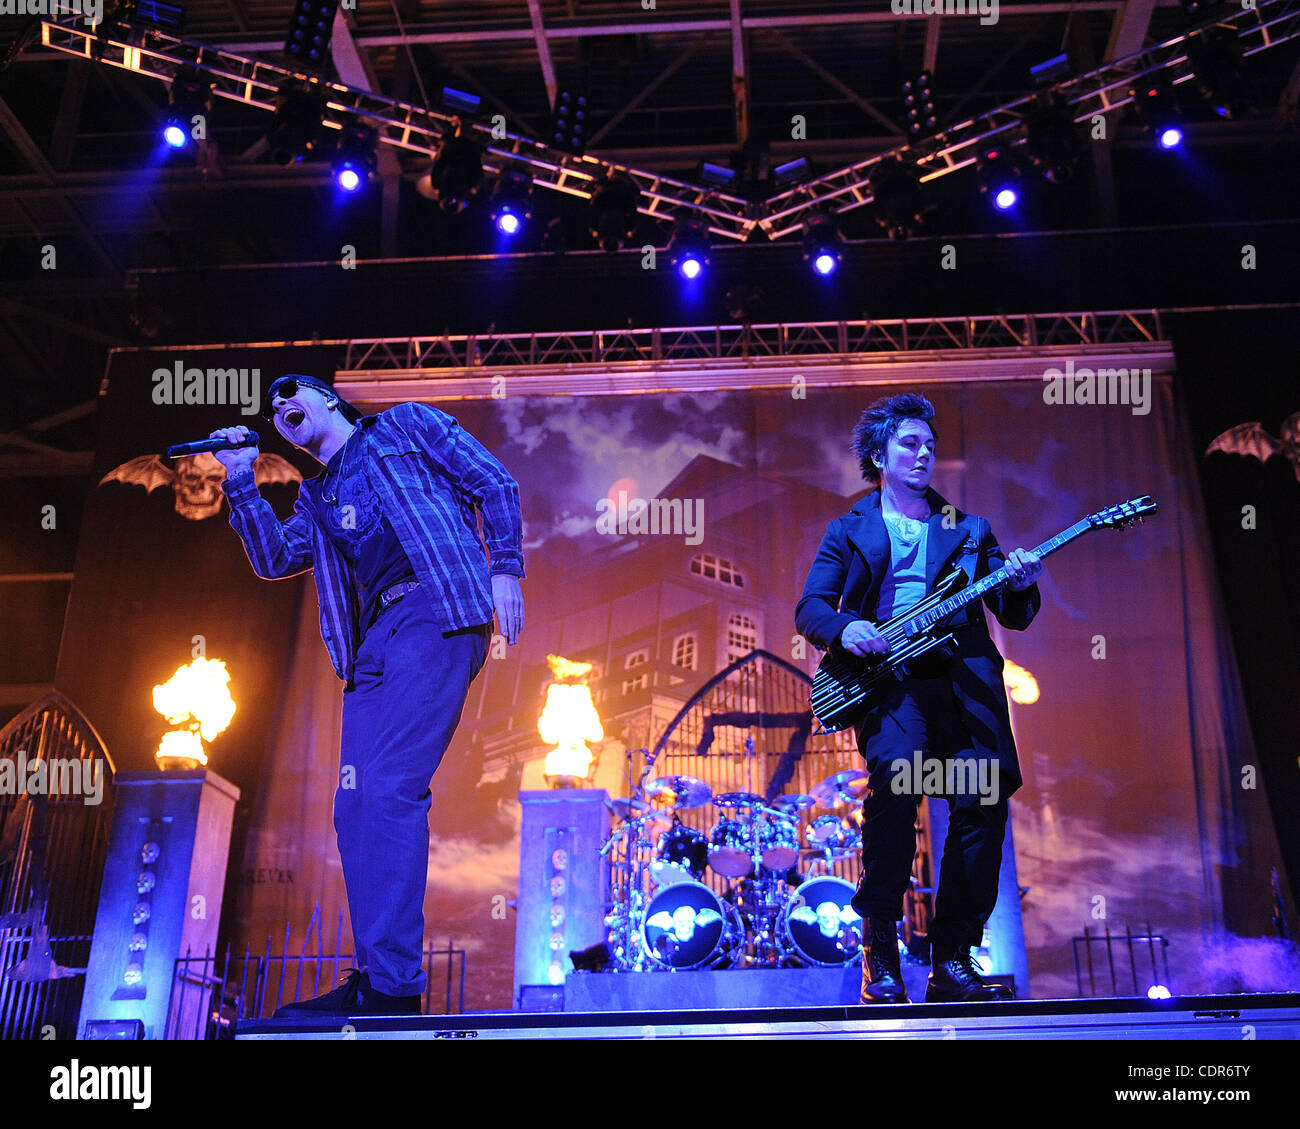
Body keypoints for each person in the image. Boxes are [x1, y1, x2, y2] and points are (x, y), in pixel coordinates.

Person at [210, 373, 524, 1018]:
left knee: (386, 790)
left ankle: (392, 989)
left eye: (288, 393)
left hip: (434, 612)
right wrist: (240, 475)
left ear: (328, 399)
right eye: (270, 408)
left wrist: (506, 569)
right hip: (370, 647)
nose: (276, 407)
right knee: (355, 804)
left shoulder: (407, 425)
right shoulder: (316, 496)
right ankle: (383, 978)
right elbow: (272, 558)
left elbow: (493, 480)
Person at [795, 393, 1041, 1004]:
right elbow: (811, 607)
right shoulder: (848, 529)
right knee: (897, 793)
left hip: (963, 683)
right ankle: (880, 949)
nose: (924, 453)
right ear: (879, 455)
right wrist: (846, 628)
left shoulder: (965, 526)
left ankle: (954, 957)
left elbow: (1009, 607)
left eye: (930, 445)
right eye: (910, 443)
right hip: (891, 683)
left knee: (982, 808)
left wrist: (1021, 582)